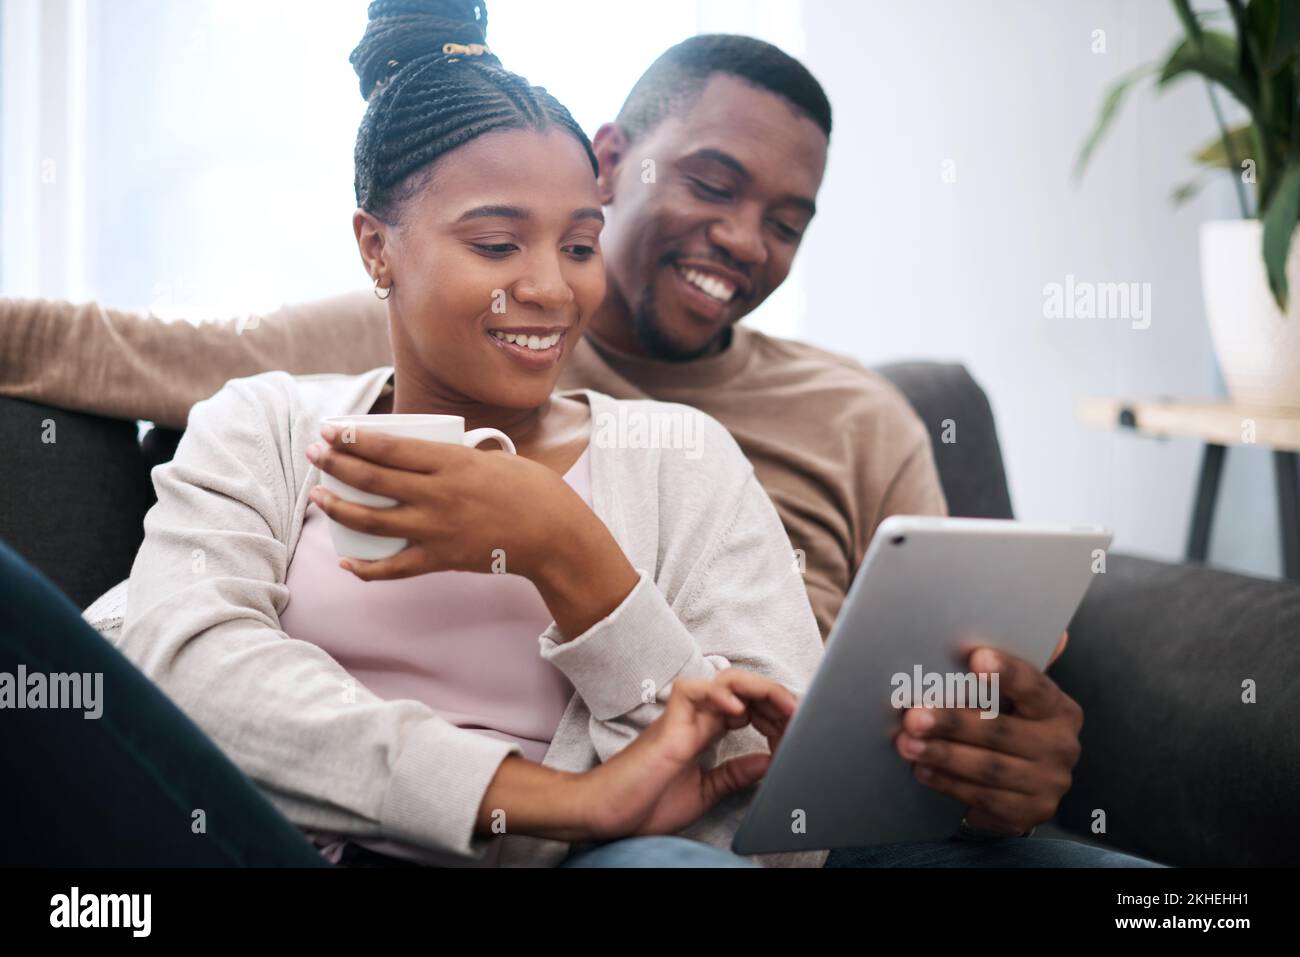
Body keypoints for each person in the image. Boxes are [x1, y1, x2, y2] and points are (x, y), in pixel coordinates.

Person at [0, 14, 1162, 867]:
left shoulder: (692, 453)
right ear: (376, 250)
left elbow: (761, 781)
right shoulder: (272, 412)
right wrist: (551, 798)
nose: (549, 290)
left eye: (575, 245)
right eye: (496, 242)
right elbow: (178, 668)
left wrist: (571, 554)